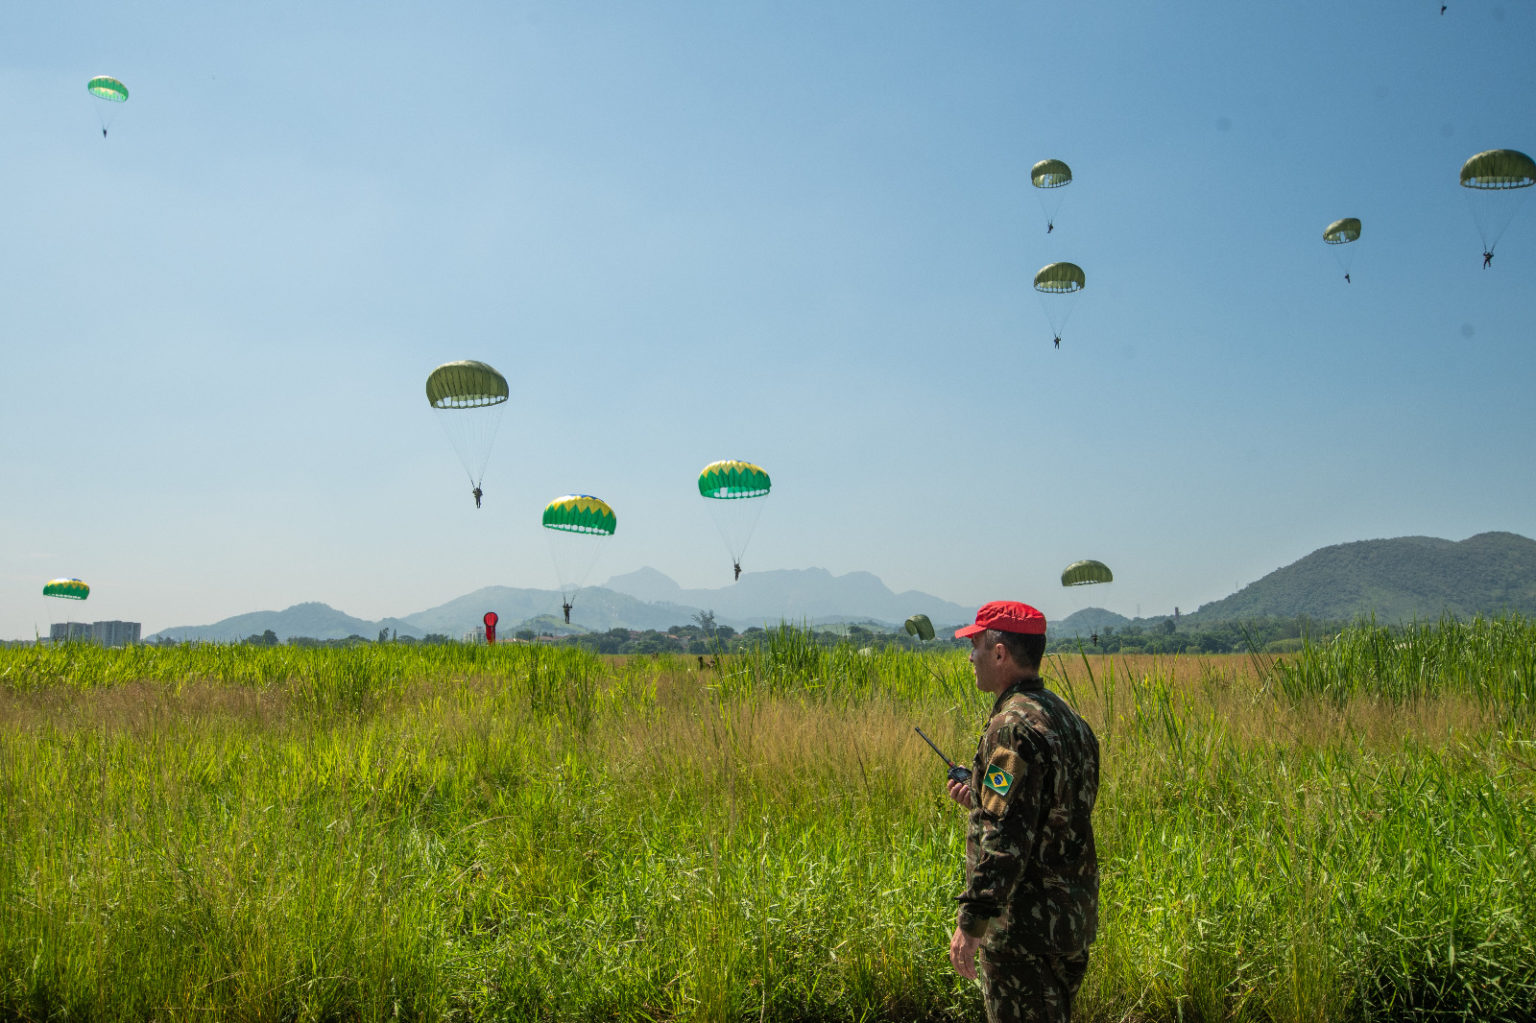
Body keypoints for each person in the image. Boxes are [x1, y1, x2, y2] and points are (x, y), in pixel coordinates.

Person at [945, 600, 1099, 1023]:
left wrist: (973, 922)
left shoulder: (1011, 728)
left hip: (1023, 933)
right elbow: (1047, 812)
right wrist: (979, 798)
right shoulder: (1069, 719)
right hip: (1070, 923)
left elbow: (1004, 837)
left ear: (1000, 653)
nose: (970, 657)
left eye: (975, 645)